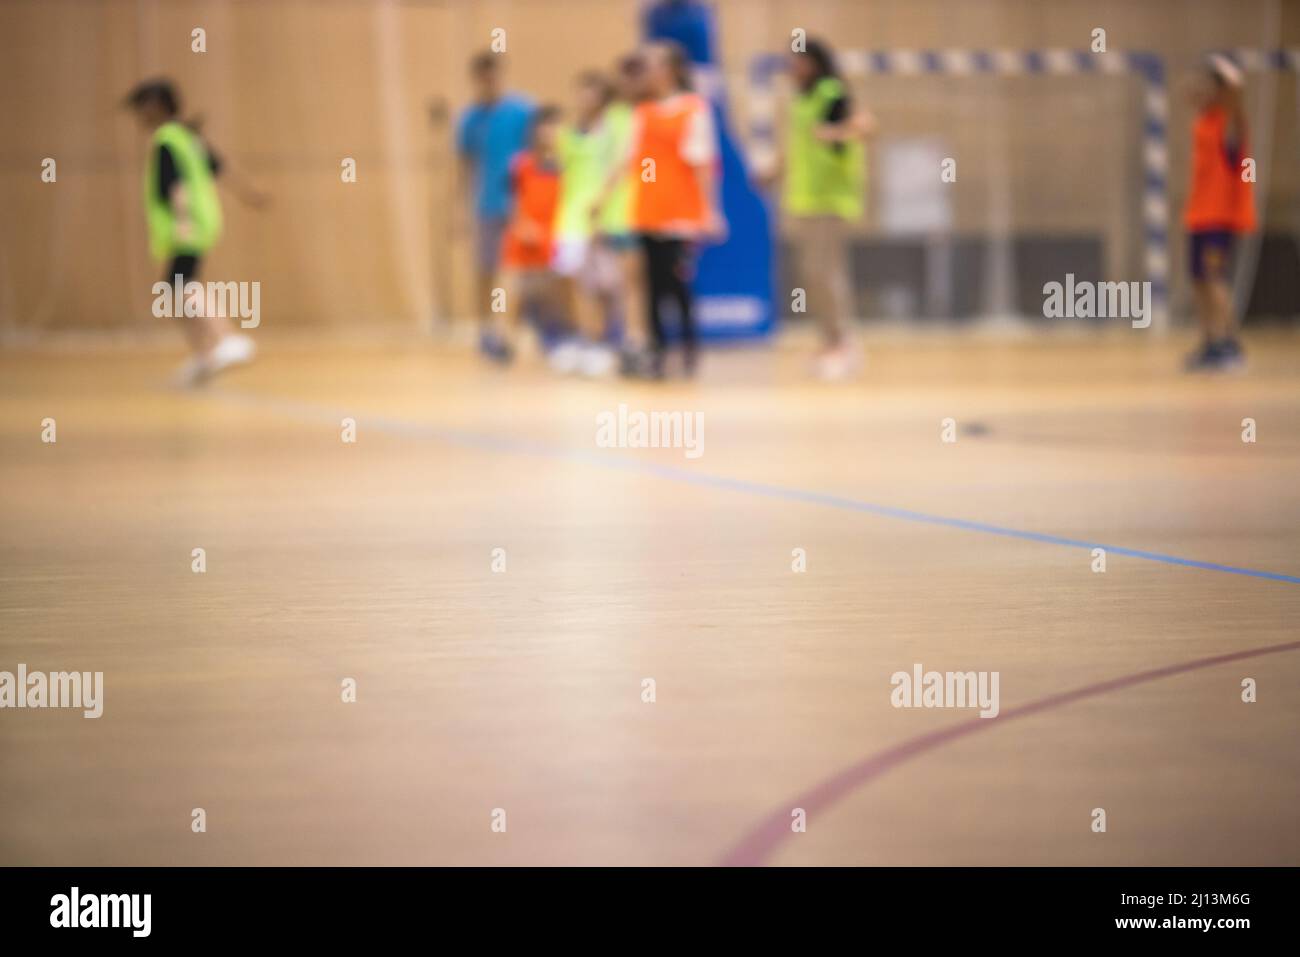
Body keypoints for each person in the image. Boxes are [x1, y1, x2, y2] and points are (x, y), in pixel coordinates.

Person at [125, 78, 267, 386]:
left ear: (156, 107)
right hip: (203, 222)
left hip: (187, 224)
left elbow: (175, 185)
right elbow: (222, 168)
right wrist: (251, 194)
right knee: (175, 287)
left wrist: (183, 220)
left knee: (183, 284)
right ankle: (206, 353)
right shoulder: (189, 137)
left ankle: (225, 338)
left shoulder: (167, 140)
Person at [619, 40, 725, 379]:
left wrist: (711, 209)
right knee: (651, 283)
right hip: (649, 210)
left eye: (654, 65)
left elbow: (703, 163)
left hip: (681, 213)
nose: (648, 72)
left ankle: (689, 346)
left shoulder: (693, 109)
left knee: (676, 282)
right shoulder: (644, 113)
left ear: (671, 70)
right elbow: (631, 160)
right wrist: (602, 196)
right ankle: (658, 350)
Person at [776, 38, 873, 380]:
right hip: (805, 197)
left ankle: (844, 343)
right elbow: (797, 146)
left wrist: (836, 133)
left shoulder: (832, 93)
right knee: (812, 274)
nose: (792, 67)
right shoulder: (799, 100)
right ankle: (828, 339)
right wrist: (775, 171)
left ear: (814, 63)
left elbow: (864, 125)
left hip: (831, 198)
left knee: (828, 272)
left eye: (797, 61)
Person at [456, 52, 535, 362]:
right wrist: (459, 210)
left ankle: (506, 333)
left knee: (511, 272)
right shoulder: (470, 118)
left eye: (494, 75)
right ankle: (485, 329)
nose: (489, 82)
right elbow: (464, 165)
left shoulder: (522, 111)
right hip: (485, 205)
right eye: (483, 77)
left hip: (517, 204)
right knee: (485, 272)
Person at [1183, 54, 1256, 372]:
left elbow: (1234, 96)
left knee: (1214, 279)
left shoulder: (1230, 123)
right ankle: (1210, 340)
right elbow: (1188, 92)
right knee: (1199, 280)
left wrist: (1228, 77)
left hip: (1218, 217)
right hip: (1198, 216)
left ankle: (1230, 343)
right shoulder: (1204, 121)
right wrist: (1205, 77)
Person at [553, 72, 621, 377]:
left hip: (600, 217)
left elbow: (619, 172)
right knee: (571, 282)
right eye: (581, 92)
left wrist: (604, 208)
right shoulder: (567, 135)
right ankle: (580, 336)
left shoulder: (611, 133)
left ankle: (601, 341)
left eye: (591, 93)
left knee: (601, 285)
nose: (584, 99)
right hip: (569, 217)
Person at [499, 106, 572, 370]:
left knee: (552, 289)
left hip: (554, 233)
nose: (549, 133)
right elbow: (513, 200)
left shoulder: (566, 164)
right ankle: (503, 337)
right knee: (507, 288)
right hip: (524, 231)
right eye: (544, 126)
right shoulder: (521, 164)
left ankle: (556, 336)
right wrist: (523, 225)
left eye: (554, 126)